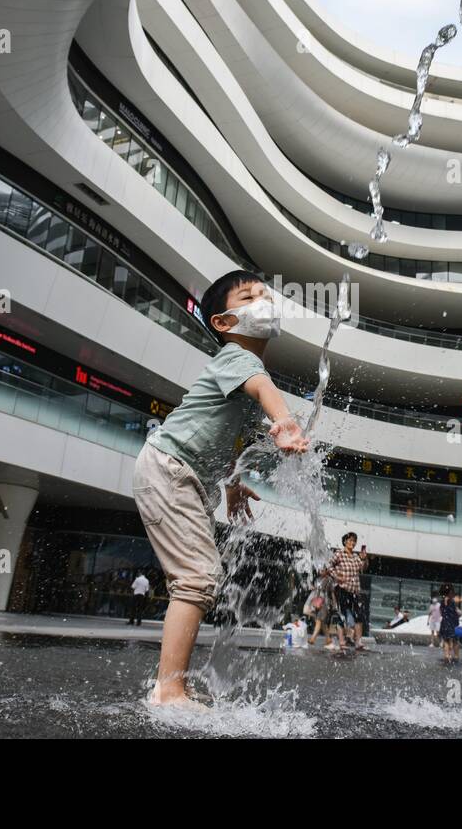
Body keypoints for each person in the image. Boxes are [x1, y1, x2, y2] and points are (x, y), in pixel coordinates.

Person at [131, 270, 308, 705]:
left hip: (175, 471)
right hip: (168, 468)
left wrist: (232, 484)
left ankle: (173, 684)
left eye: (267, 295)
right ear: (224, 323)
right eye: (250, 297)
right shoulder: (237, 358)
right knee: (196, 576)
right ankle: (169, 689)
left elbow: (229, 443)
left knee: (198, 577)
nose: (264, 302)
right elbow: (264, 387)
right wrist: (285, 424)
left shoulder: (241, 371)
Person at [324, 532, 369, 651]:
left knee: (359, 615)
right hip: (342, 589)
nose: (352, 543)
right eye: (350, 540)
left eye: (354, 541)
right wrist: (336, 577)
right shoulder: (339, 553)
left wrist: (364, 559)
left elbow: (362, 568)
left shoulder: (355, 557)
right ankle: (342, 641)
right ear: (345, 541)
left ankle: (358, 642)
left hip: (355, 590)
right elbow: (328, 566)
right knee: (342, 615)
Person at [438, 583, 462, 664]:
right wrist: (460, 601)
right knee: (455, 640)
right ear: (449, 592)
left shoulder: (443, 601)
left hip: (446, 622)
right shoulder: (450, 600)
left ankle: (447, 656)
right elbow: (457, 609)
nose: (453, 593)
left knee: (447, 640)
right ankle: (456, 656)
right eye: (452, 592)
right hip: (451, 623)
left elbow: (441, 612)